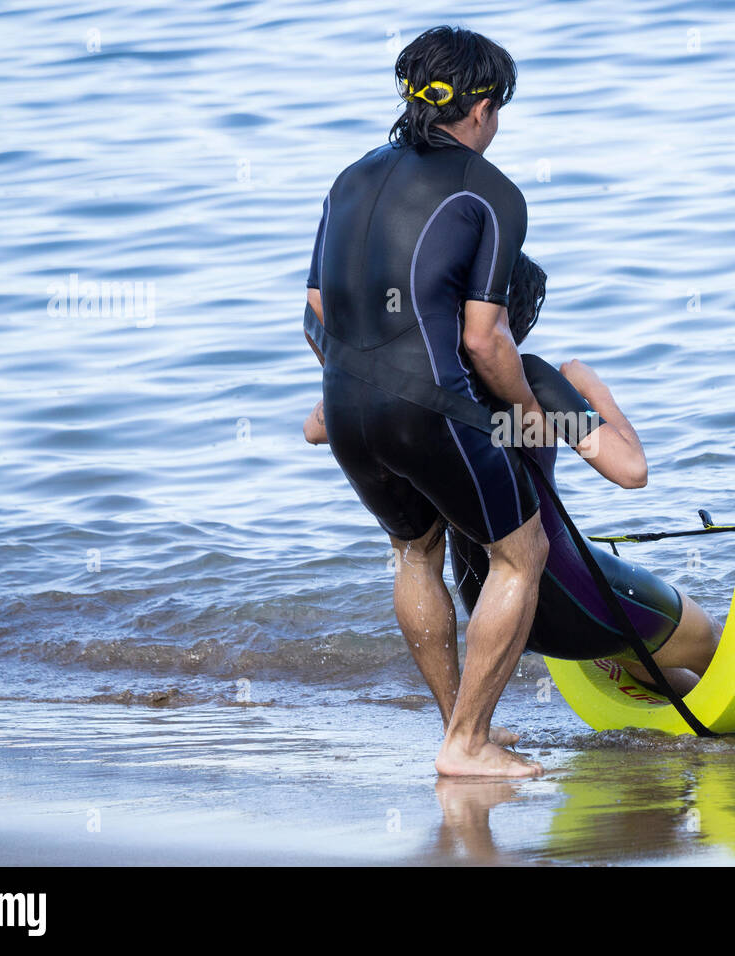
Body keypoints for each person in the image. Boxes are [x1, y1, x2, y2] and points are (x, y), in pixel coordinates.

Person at [308, 254, 735, 719]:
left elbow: (316, 427)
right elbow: (631, 471)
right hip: (577, 598)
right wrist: (592, 390)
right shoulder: (536, 381)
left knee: (651, 655)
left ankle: (721, 706)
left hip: (491, 605)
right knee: (710, 639)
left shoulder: (420, 392)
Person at [303, 26, 550, 778]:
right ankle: (467, 744)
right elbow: (484, 340)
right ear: (479, 108)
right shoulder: (491, 190)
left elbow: (314, 312)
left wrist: (350, 388)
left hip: (346, 404)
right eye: (498, 106)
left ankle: (459, 731)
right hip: (427, 406)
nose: (497, 123)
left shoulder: (350, 177)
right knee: (521, 553)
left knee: (416, 551)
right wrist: (526, 413)